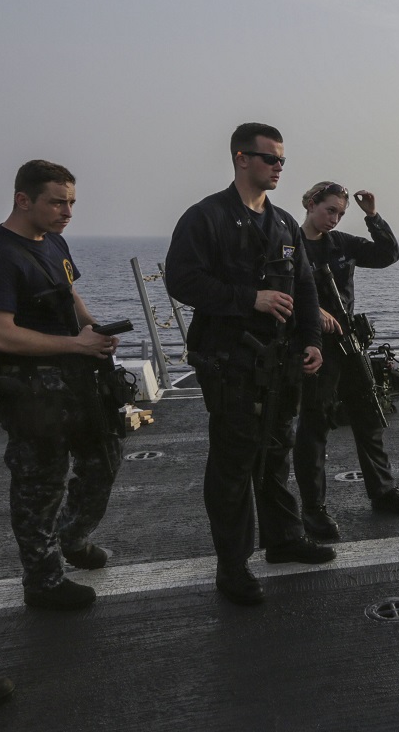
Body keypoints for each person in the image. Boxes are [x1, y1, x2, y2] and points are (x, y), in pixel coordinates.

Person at [165, 123, 334, 606]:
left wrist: (311, 340)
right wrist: (249, 298)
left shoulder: (283, 224)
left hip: (280, 363)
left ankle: (283, 539)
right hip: (231, 362)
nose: (278, 167)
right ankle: (233, 565)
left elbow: (305, 288)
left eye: (282, 160)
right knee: (234, 462)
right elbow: (181, 279)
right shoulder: (206, 217)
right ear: (242, 158)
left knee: (277, 451)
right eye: (269, 159)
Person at [0, 160, 125, 611]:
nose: (67, 212)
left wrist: (93, 328)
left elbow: (68, 292)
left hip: (76, 383)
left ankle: (72, 537)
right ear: (23, 200)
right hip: (30, 392)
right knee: (40, 485)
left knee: (104, 460)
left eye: (71, 202)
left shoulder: (54, 240)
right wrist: (76, 344)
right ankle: (43, 581)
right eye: (57, 203)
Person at [293, 181, 399, 540]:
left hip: (348, 343)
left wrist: (372, 216)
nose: (334, 218)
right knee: (314, 426)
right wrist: (311, 310)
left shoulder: (342, 244)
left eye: (340, 213)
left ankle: (383, 491)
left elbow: (388, 254)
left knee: (368, 417)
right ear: (311, 204)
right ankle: (313, 509)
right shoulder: (290, 245)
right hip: (314, 345)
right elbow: (277, 285)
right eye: (329, 210)